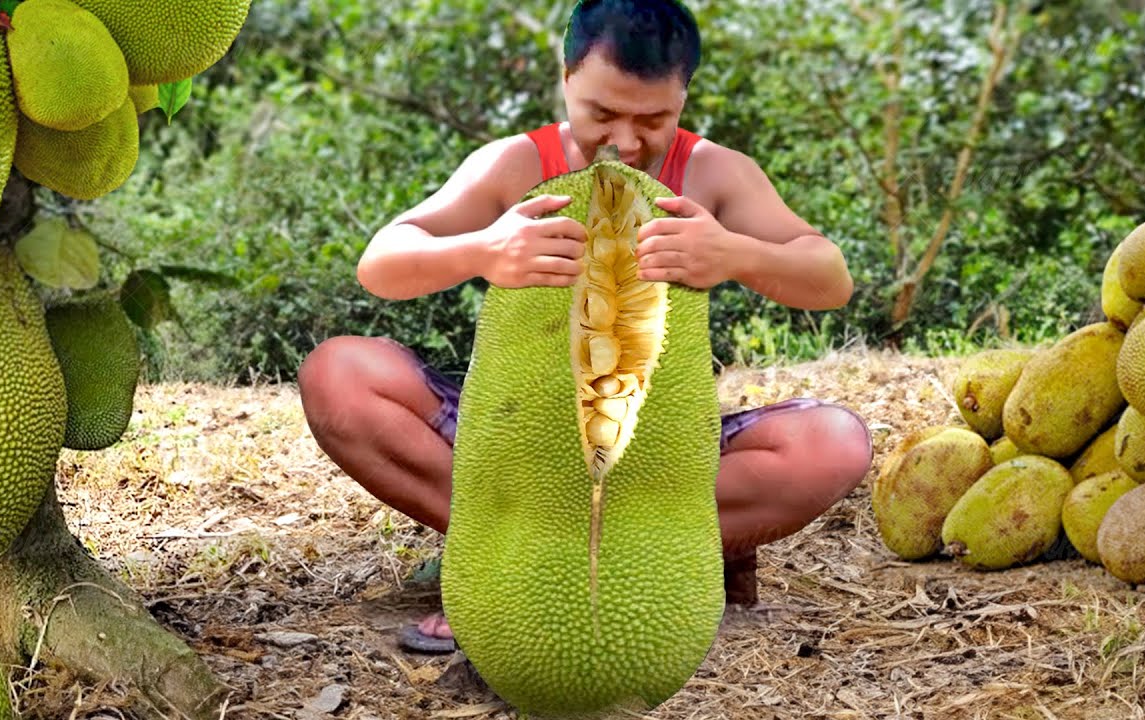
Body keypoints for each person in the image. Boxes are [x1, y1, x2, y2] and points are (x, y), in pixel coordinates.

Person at [297, 0, 873, 654]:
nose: (626, 142)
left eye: (655, 119)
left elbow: (830, 277)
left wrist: (737, 254)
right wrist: (483, 250)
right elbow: (381, 264)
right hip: (511, 449)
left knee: (834, 443)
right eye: (601, 114)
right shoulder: (515, 165)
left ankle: (667, 562)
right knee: (337, 375)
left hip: (660, 464)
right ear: (565, 77)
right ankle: (496, 571)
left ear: (684, 97)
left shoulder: (712, 173)